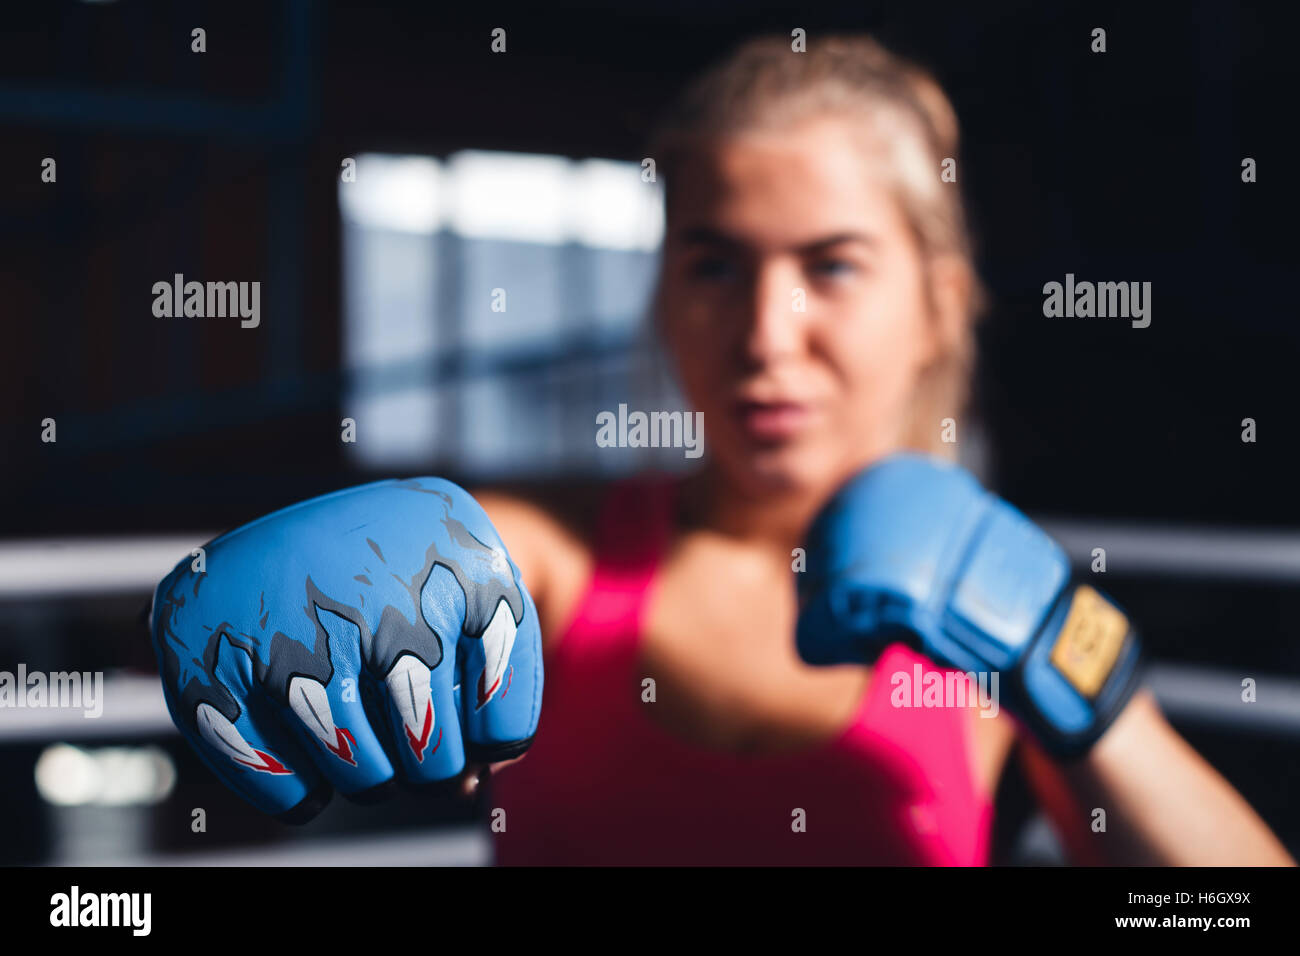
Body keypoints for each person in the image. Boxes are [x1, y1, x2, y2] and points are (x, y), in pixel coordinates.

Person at [148, 34, 1294, 866]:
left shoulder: (995, 600)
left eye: (830, 264)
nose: (762, 333)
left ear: (938, 303)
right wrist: (309, 603)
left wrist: (1074, 662)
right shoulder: (559, 558)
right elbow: (462, 557)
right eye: (713, 264)